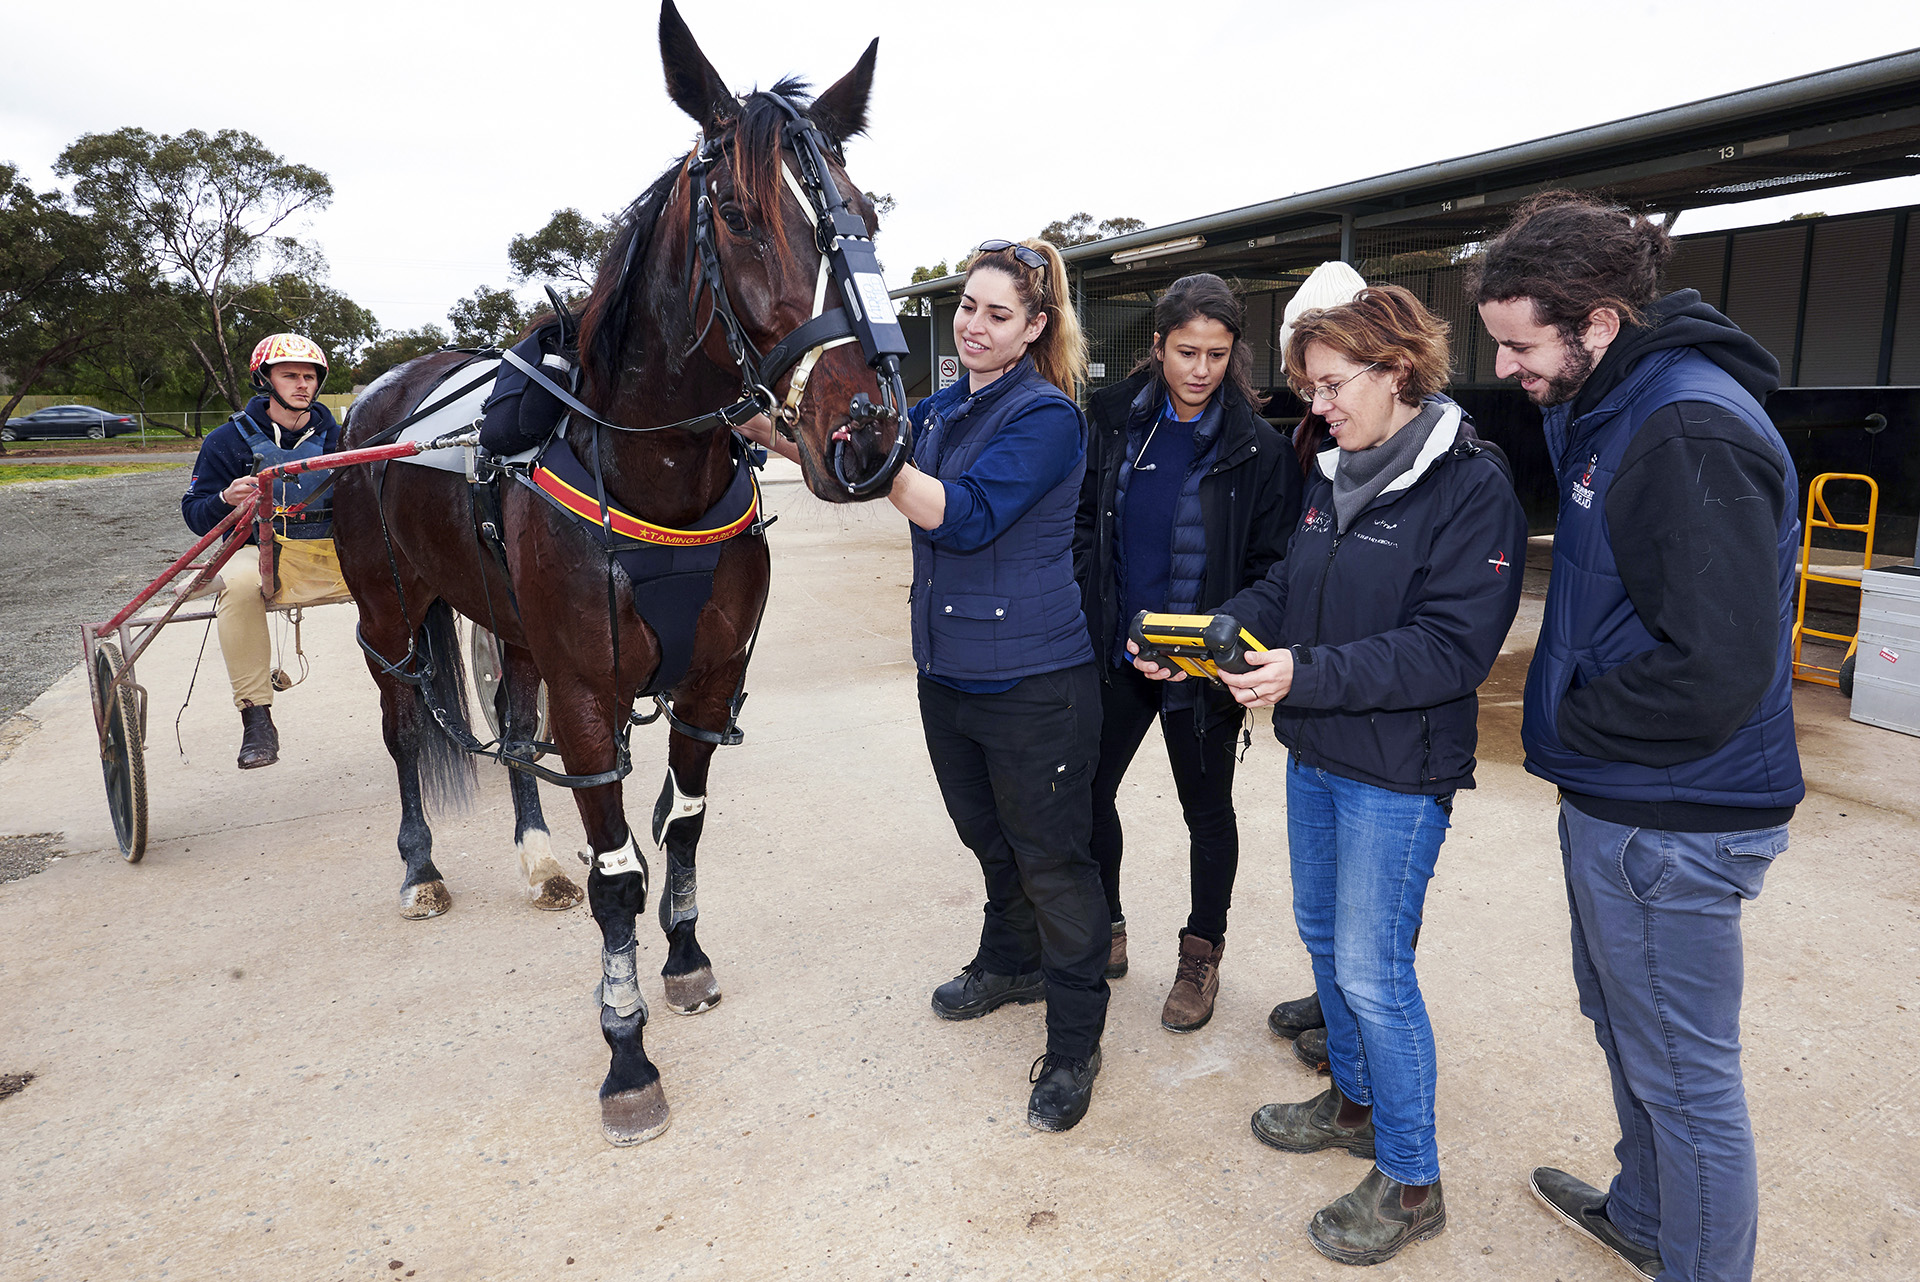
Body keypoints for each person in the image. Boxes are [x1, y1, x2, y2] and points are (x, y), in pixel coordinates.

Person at [1140, 285, 1527, 1265]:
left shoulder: (1471, 486)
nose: (1316, 405)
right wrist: (1209, 632)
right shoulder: (1335, 471)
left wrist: (1303, 672)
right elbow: (1288, 584)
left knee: (1373, 970)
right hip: (1318, 751)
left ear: (1396, 370)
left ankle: (1412, 1181)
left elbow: (1450, 650)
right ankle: (1353, 1103)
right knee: (1325, 940)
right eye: (1308, 387)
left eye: (1330, 384)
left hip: (1398, 771)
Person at [1471, 191, 1802, 1282]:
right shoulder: (1613, 403)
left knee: (1687, 1081)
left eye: (1522, 346)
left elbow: (1717, 666)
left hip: (1675, 815)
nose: (1507, 368)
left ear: (1599, 323)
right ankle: (1649, 1217)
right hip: (1626, 796)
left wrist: (1567, 718)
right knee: (1626, 1025)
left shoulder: (1687, 426)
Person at [744, 238, 1109, 1133]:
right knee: (988, 838)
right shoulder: (946, 405)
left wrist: (885, 461)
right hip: (949, 673)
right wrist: (770, 433)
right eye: (969, 307)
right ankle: (1011, 961)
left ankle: (1074, 1044)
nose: (975, 325)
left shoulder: (1046, 417)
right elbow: (851, 468)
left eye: (998, 314)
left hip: (1035, 682)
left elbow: (966, 516)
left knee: (1053, 862)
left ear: (1034, 328)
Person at [1074, 273, 1300, 1032]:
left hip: (1200, 668)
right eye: (1185, 352)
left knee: (1206, 811)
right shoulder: (1111, 421)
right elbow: (1083, 527)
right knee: (1087, 793)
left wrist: (1213, 640)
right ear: (1158, 346)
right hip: (1117, 655)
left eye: (1216, 354)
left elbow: (1274, 568)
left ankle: (1201, 952)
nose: (1200, 369)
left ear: (1234, 353)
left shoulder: (1260, 449)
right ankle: (1106, 925)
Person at [182, 334, 351, 769]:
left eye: (309, 376)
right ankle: (256, 718)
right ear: (264, 380)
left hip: (332, 548)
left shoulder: (345, 437)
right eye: (290, 375)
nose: (302, 384)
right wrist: (224, 499)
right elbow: (195, 514)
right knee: (237, 586)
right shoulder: (225, 440)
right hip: (258, 551)